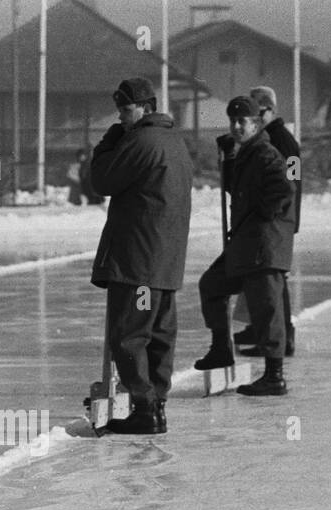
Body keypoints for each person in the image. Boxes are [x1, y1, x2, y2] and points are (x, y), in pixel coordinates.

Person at [88, 77, 193, 435]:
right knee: (160, 333)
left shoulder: (141, 141)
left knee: (129, 334)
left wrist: (107, 143)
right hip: (166, 258)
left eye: (125, 109)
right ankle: (156, 405)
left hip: (138, 260)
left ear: (145, 108)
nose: (120, 117)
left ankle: (144, 407)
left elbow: (101, 181)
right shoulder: (175, 142)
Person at [194, 96, 296, 397]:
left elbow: (283, 191)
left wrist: (260, 219)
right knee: (212, 284)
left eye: (243, 121)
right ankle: (221, 347)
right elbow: (236, 188)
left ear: (255, 123)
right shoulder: (247, 154)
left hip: (263, 248)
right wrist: (228, 160)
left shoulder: (266, 153)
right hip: (244, 247)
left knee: (267, 310)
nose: (237, 127)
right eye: (233, 121)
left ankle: (274, 376)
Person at [235, 85, 299, 358]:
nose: (258, 118)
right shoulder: (268, 138)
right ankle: (263, 329)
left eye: (261, 112)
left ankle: (282, 335)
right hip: (276, 221)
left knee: (274, 281)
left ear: (272, 110)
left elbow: (292, 184)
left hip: (278, 222)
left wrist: (284, 219)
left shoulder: (282, 141)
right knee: (266, 279)